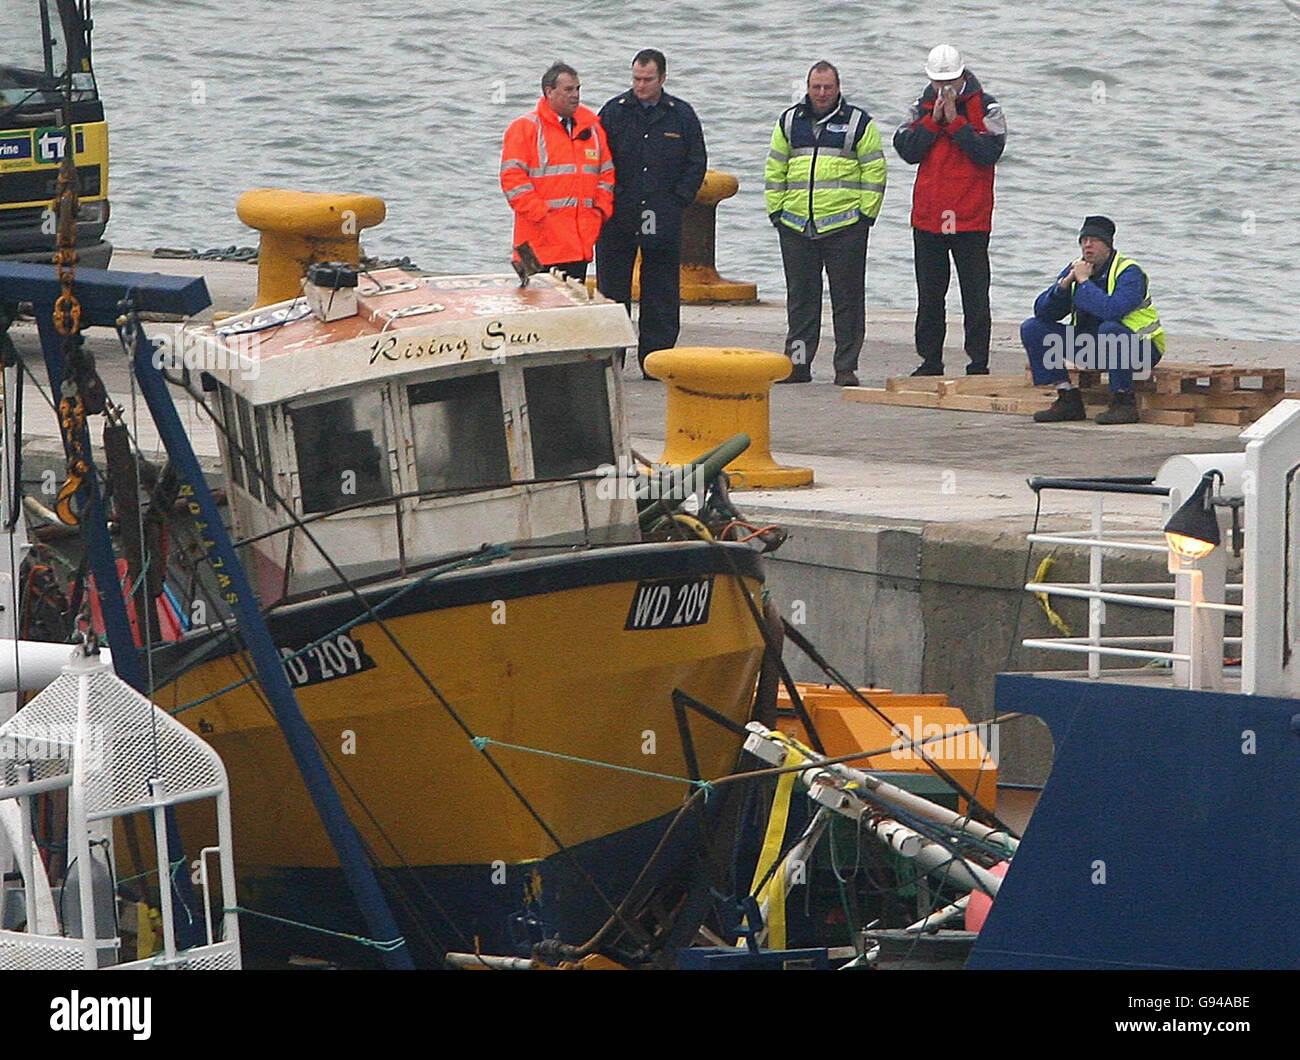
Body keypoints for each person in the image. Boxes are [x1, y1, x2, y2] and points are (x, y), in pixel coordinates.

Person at [765, 60, 886, 386]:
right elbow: (775, 170)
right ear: (807, 87)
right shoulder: (789, 122)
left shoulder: (859, 123)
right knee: (801, 300)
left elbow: (874, 172)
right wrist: (776, 212)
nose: (821, 93)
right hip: (795, 225)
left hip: (845, 226)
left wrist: (865, 217)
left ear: (838, 88)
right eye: (816, 87)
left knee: (847, 301)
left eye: (827, 87)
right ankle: (798, 364)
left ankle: (845, 367)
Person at [893, 44, 1006, 377]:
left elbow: (989, 152)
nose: (944, 88)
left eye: (950, 81)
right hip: (929, 218)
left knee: (974, 294)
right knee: (930, 294)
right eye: (938, 81)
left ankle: (978, 361)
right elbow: (906, 149)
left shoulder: (987, 106)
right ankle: (930, 359)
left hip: (970, 219)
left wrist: (956, 124)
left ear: (962, 76)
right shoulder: (920, 106)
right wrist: (933, 122)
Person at [596, 49, 707, 377]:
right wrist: (610, 199)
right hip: (619, 216)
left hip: (664, 215)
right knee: (612, 293)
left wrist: (678, 201)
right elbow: (597, 159)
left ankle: (655, 361)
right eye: (636, 79)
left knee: (661, 292)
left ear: (662, 79)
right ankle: (611, 362)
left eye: (647, 80)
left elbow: (696, 162)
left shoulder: (680, 115)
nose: (640, 86)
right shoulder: (614, 112)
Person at [1022, 215, 1166, 424]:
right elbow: (1043, 312)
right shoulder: (1077, 268)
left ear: (1108, 245)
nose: (1087, 245)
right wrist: (1063, 286)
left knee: (1110, 329)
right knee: (1033, 328)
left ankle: (1123, 401)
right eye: (1084, 240)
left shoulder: (1129, 272)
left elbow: (1112, 311)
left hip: (1140, 350)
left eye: (1094, 240)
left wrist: (1084, 283)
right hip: (1094, 347)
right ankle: (1067, 397)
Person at [500, 62, 614, 281]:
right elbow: (512, 180)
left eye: (578, 89)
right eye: (568, 89)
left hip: (577, 244)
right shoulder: (525, 128)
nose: (575, 95)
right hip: (535, 242)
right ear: (549, 92)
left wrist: (599, 212)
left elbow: (606, 176)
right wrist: (541, 215)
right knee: (533, 306)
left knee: (570, 308)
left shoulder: (592, 129)